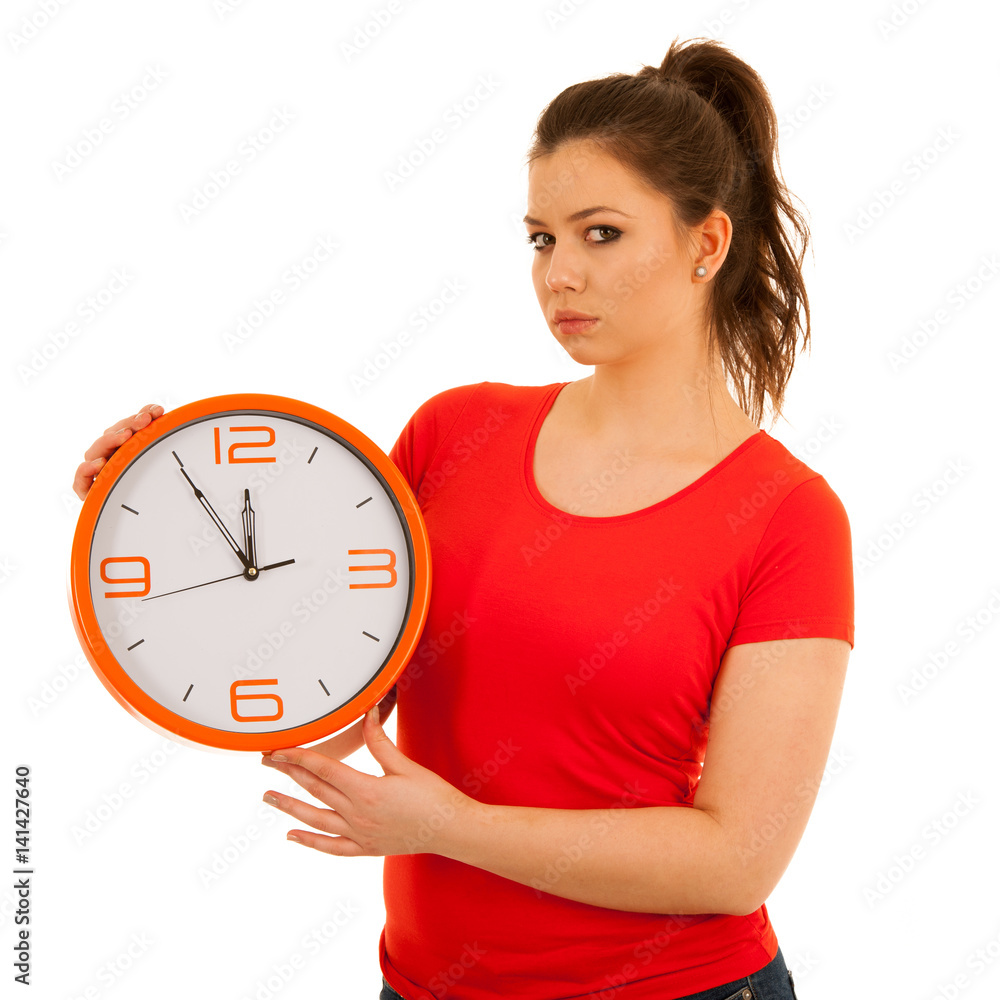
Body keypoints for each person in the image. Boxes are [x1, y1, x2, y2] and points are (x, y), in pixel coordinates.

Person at [73, 35, 853, 1000]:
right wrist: (148, 504)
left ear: (707, 244)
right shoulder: (453, 436)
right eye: (542, 238)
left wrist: (450, 830)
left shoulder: (789, 517)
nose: (559, 273)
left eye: (601, 233)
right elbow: (327, 696)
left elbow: (738, 863)